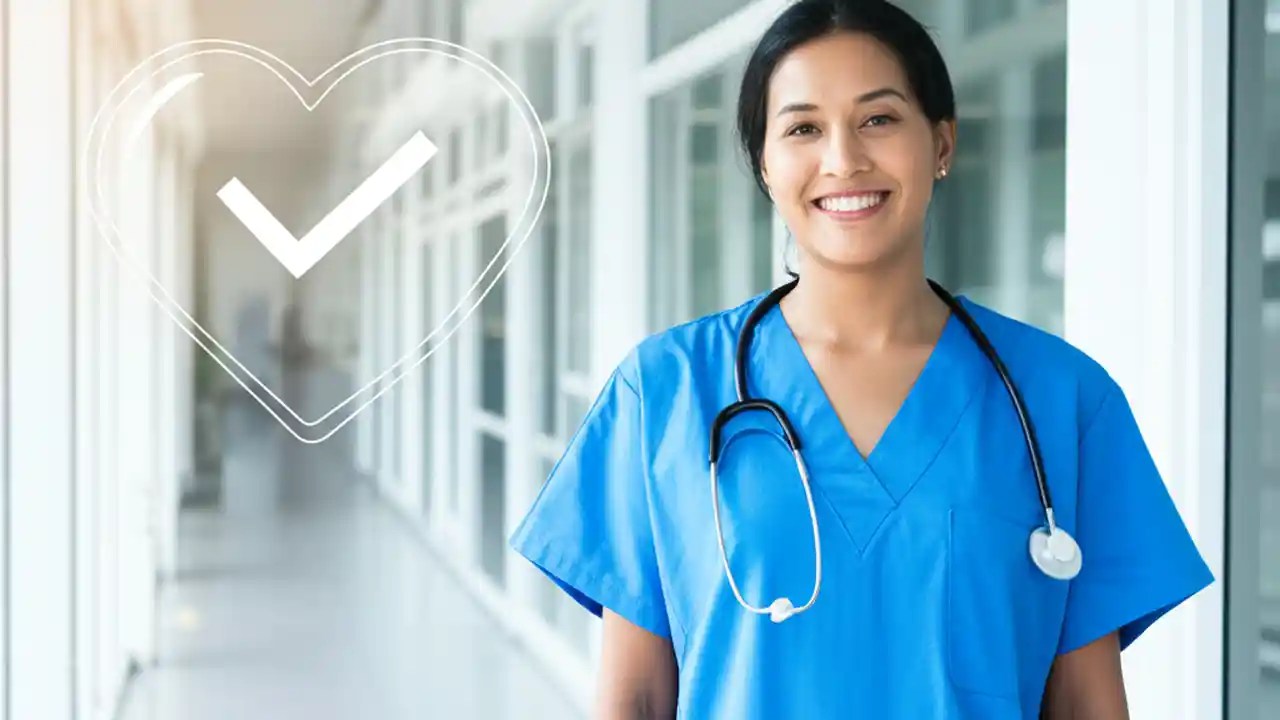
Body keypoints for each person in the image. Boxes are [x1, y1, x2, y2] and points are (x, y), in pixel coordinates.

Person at [509, 1, 1213, 717]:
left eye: (878, 119)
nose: (843, 159)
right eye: (803, 128)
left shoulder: (1063, 400)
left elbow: (1087, 706)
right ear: (764, 162)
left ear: (942, 142)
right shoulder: (664, 391)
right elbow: (634, 698)